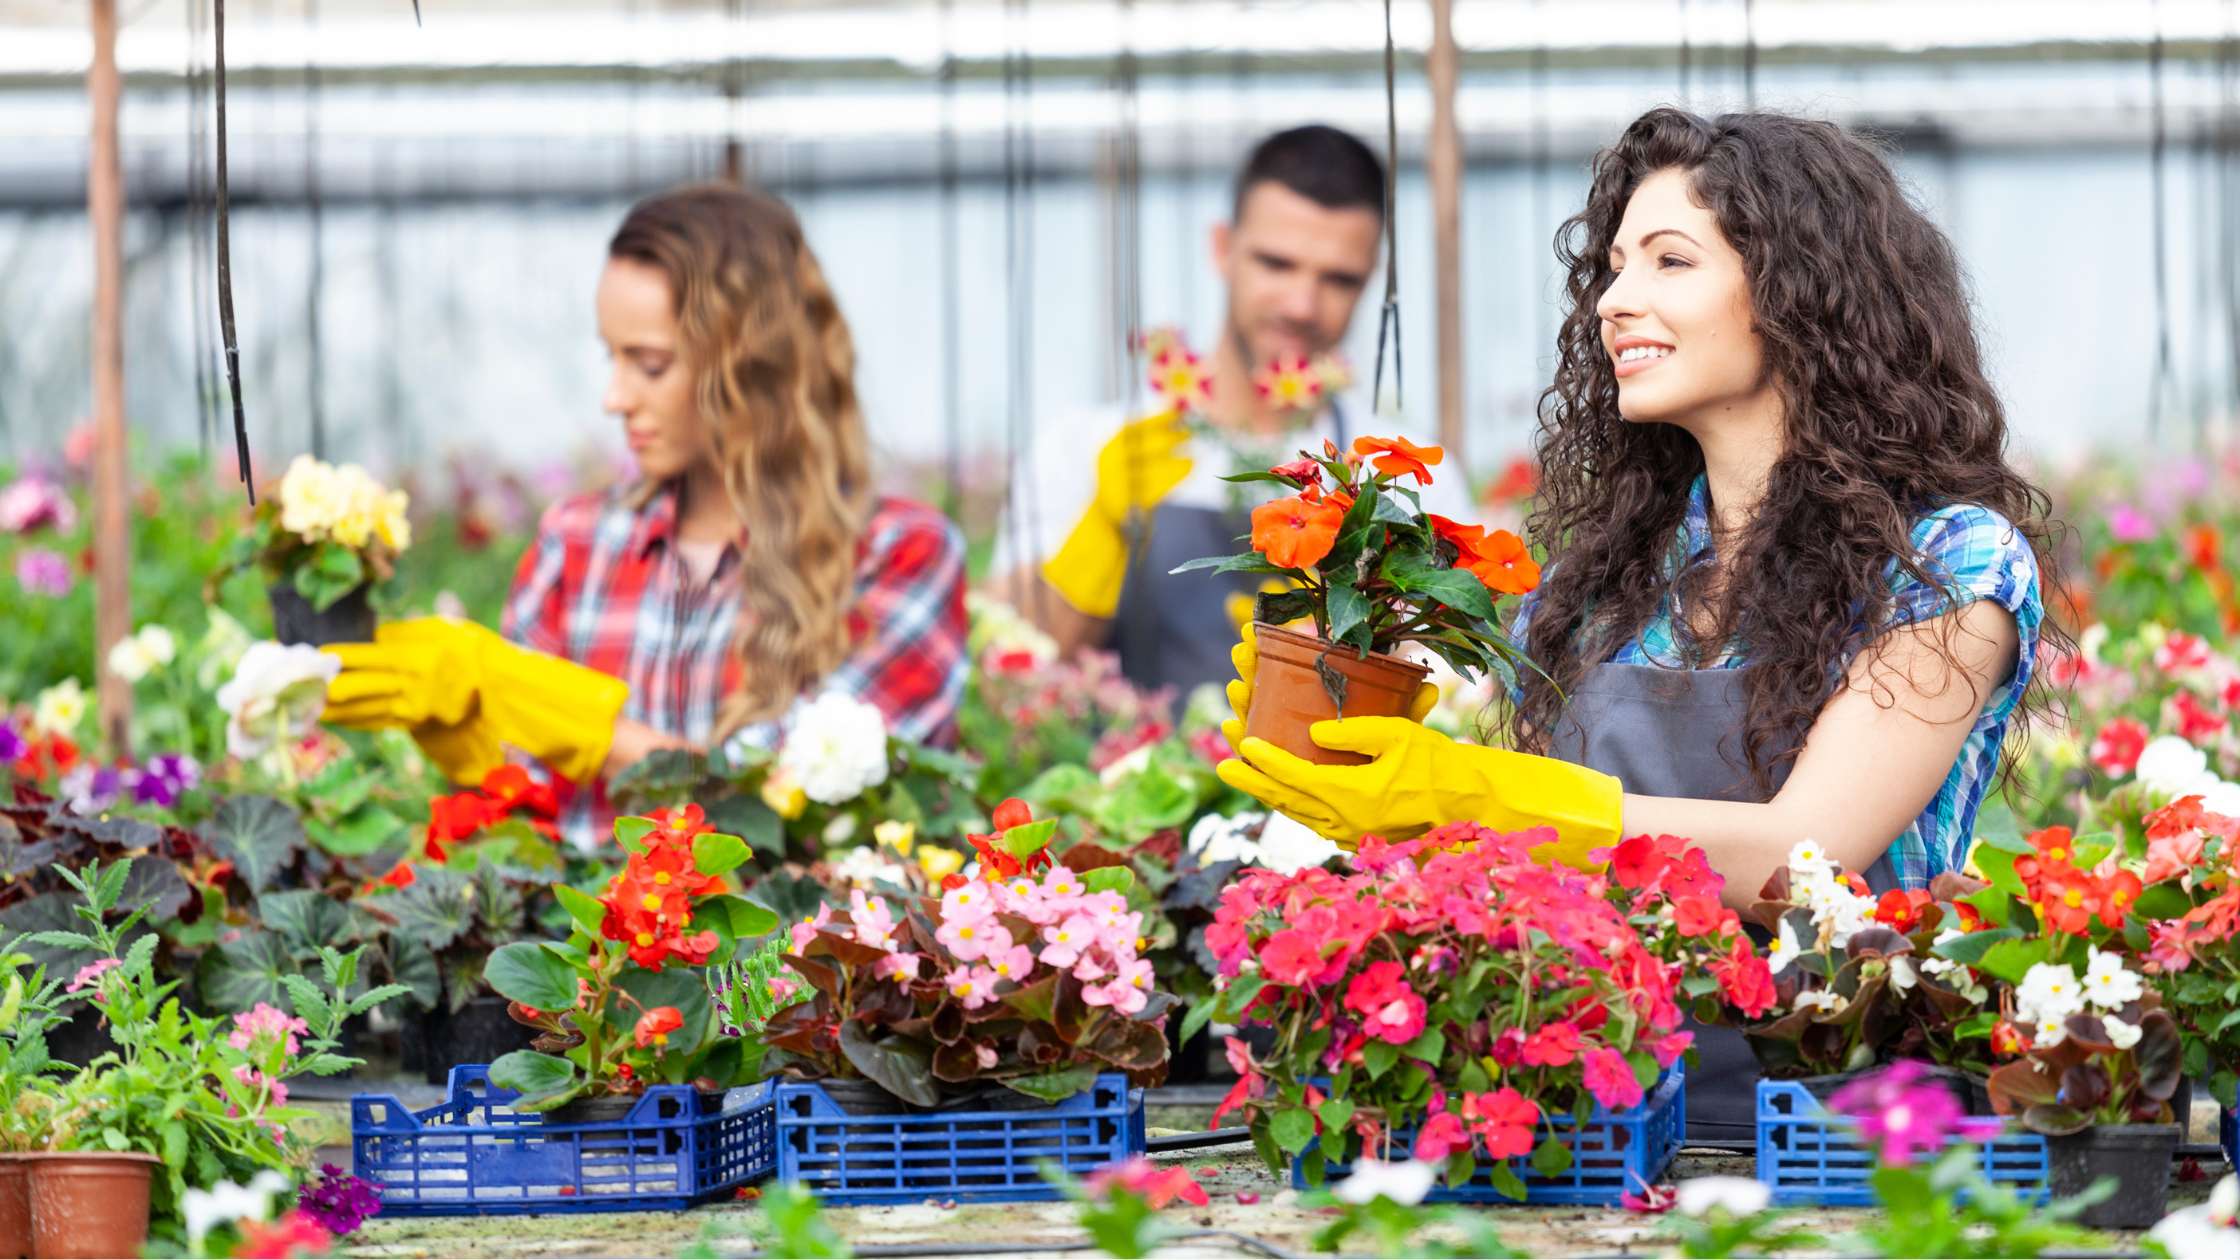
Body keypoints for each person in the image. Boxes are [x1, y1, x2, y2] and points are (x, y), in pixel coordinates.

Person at [1215, 108, 2063, 1142]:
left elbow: (1803, 856)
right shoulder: (1609, 579)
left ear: (1799, 289)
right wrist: (1356, 738)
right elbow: (1531, 867)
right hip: (1596, 1130)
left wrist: (1481, 792)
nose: (1615, 302)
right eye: (1612, 267)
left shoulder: (1943, 567)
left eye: (1668, 261)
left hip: (1841, 1147)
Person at [322, 183, 970, 847]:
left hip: (770, 952)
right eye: (613, 356)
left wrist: (578, 724)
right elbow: (524, 819)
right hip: (580, 951)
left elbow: (795, 809)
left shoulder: (901, 554)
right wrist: (465, 729)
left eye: (650, 364)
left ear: (751, 367)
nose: (615, 397)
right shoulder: (576, 544)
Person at [991, 124, 1468, 697]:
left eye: (1338, 279)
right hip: (1132, 781)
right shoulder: (1089, 447)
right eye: (1276, 263)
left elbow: (1451, 690)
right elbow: (1008, 677)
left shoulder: (1399, 473)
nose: (1302, 304)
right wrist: (1102, 529)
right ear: (1222, 248)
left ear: (1370, 280)